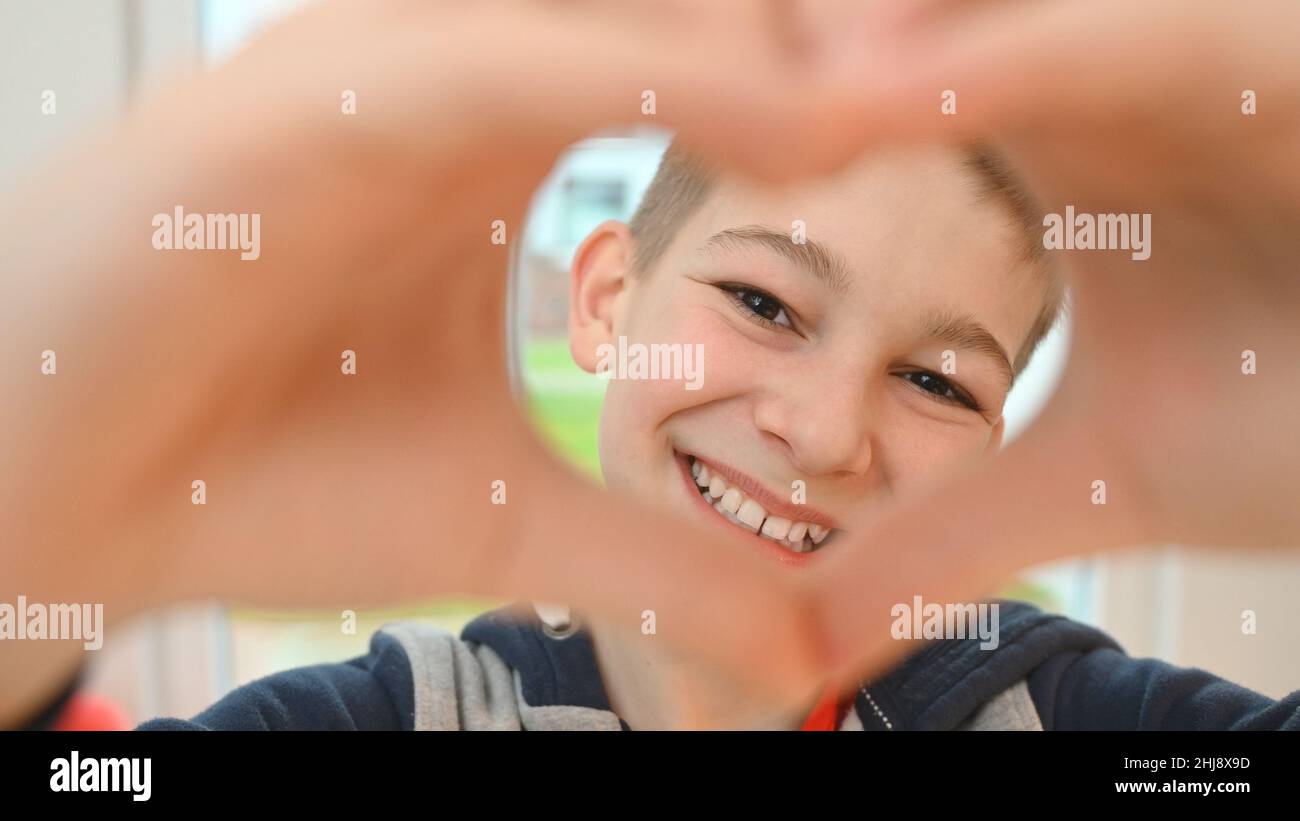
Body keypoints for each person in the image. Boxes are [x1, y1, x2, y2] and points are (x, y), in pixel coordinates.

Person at [3, 0, 1300, 729]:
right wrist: (46, 511)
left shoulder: (1081, 724)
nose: (826, 429)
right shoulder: (394, 718)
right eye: (763, 302)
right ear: (607, 298)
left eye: (940, 382)